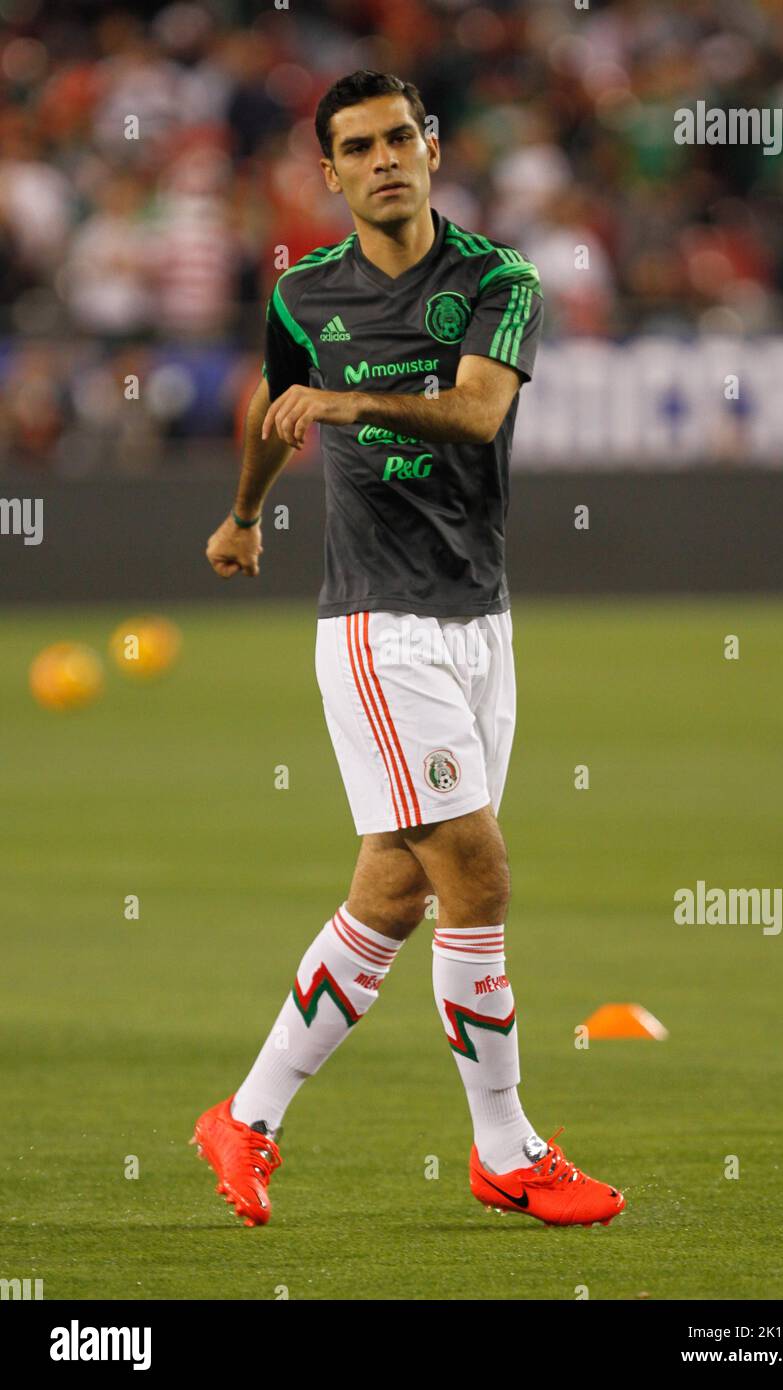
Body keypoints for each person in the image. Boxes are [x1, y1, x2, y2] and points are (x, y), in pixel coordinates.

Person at [195, 70, 625, 1230]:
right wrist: (244, 514)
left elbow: (479, 409)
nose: (383, 158)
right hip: (379, 627)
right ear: (327, 173)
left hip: (479, 618)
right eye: (356, 146)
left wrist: (344, 406)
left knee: (390, 890)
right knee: (474, 870)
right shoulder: (303, 298)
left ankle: (244, 1118)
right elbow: (276, 405)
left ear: (431, 149)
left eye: (400, 137)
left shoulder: (496, 280)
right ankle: (505, 1146)